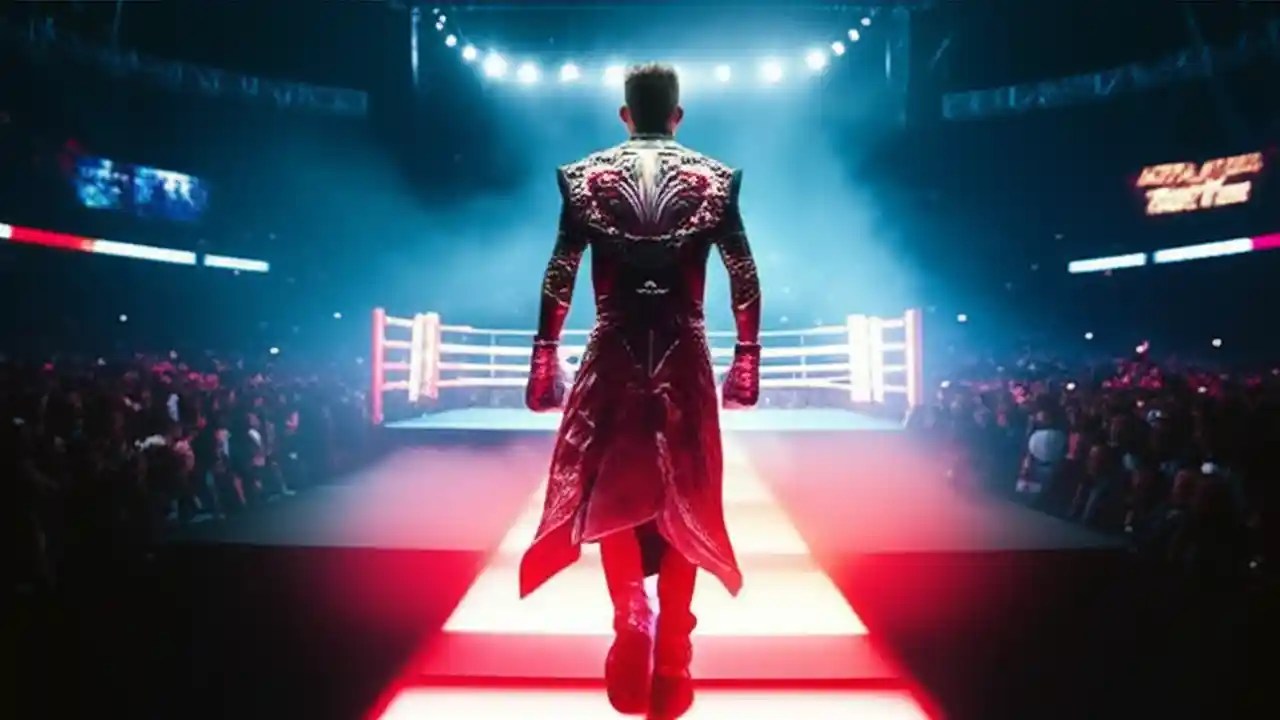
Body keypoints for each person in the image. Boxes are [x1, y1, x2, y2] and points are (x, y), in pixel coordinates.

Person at [519, 63, 761, 719]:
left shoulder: (585, 177)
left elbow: (560, 272)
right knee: (688, 486)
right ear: (677, 116)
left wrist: (544, 358)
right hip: (683, 347)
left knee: (611, 486)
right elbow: (743, 273)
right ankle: (674, 638)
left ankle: (633, 613)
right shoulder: (714, 178)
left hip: (615, 345)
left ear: (625, 115)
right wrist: (747, 360)